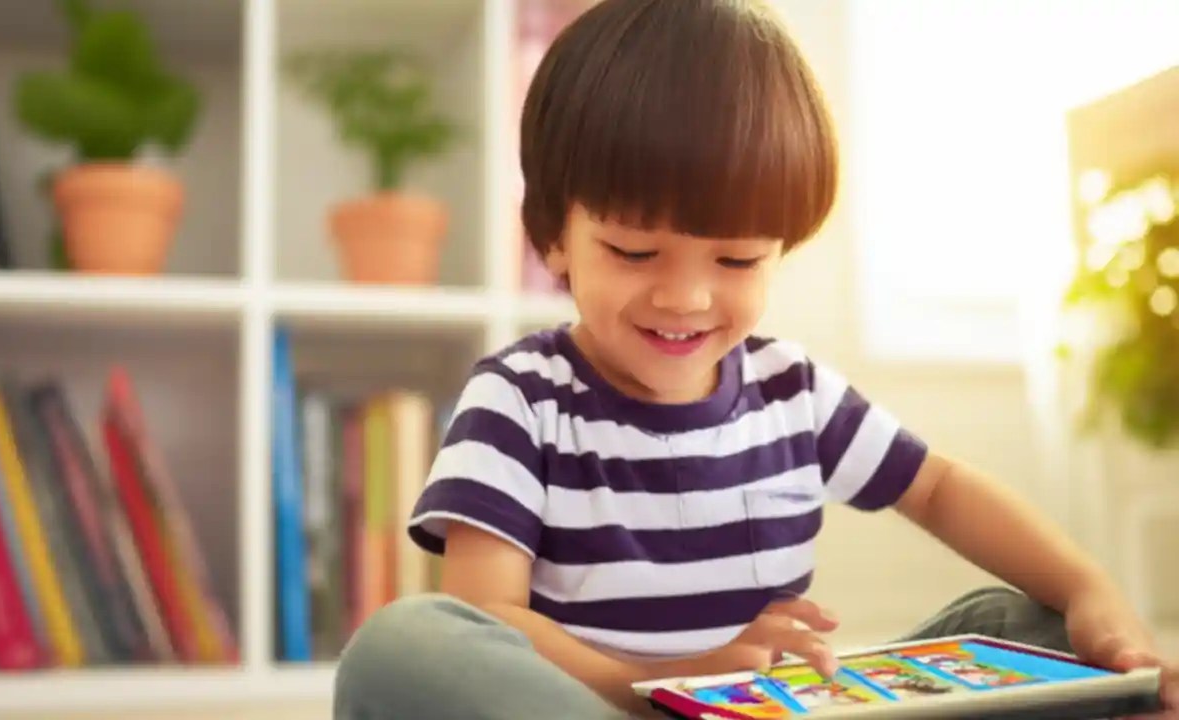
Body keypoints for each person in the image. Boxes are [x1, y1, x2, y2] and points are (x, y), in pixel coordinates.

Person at [332, 1, 1178, 718]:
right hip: (601, 708)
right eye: (633, 252)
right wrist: (665, 683)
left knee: (1023, 620)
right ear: (554, 239)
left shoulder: (793, 392)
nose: (686, 298)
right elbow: (489, 614)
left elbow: (939, 486)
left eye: (735, 262)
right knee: (405, 645)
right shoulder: (519, 398)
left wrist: (1089, 591)